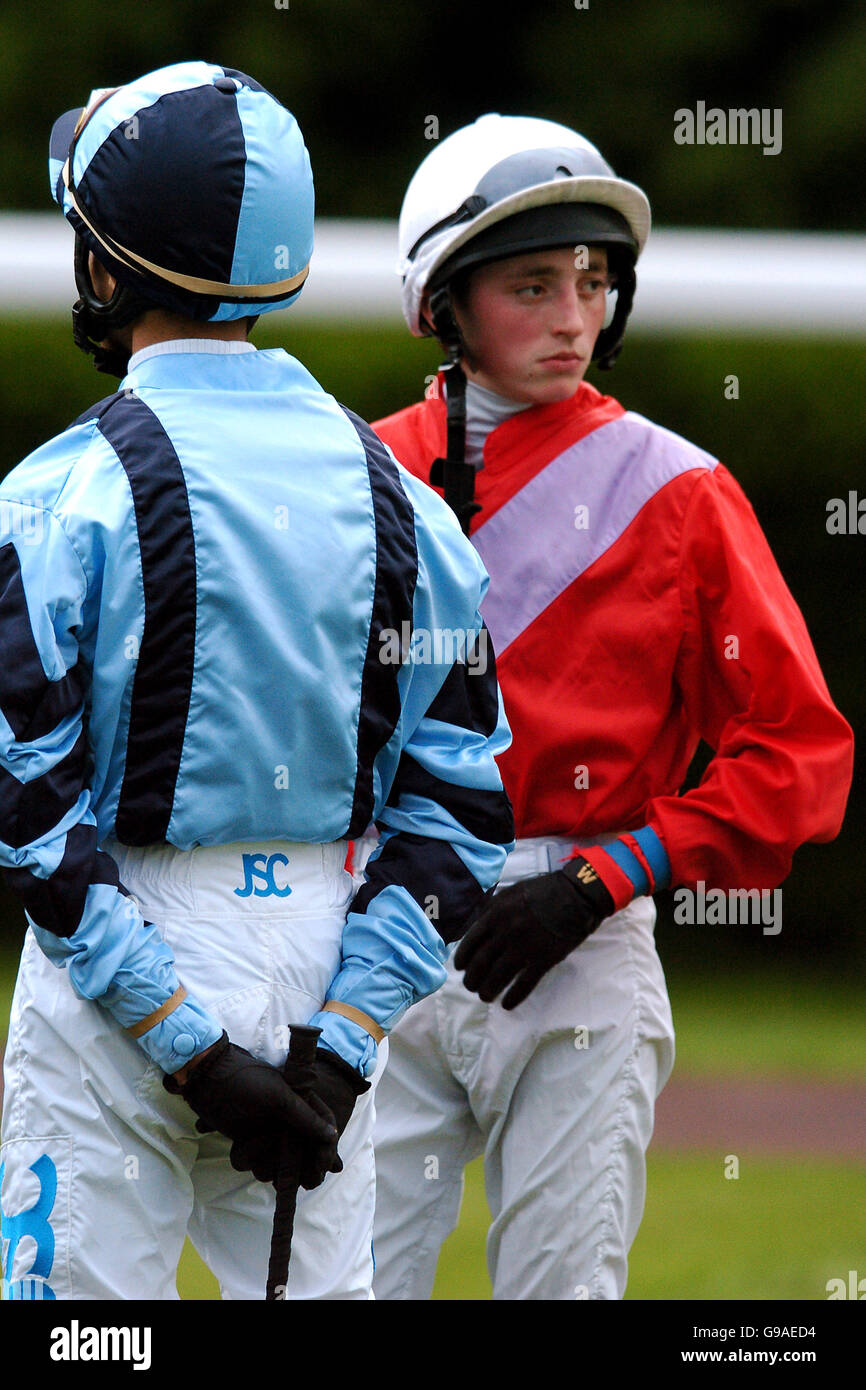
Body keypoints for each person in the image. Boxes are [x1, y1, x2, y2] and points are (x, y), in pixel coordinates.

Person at [0, 64, 514, 1302]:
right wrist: (337, 1052)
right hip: (329, 959)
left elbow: (26, 820)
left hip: (114, 956)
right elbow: (460, 813)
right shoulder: (410, 506)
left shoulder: (54, 498)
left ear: (106, 272)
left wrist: (186, 1047)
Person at [365, 114, 855, 1300]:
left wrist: (603, 876)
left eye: (591, 282)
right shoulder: (359, 474)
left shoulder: (682, 494)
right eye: (531, 285)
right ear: (442, 305)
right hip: (374, 935)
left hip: (581, 945)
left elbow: (797, 753)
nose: (573, 315)